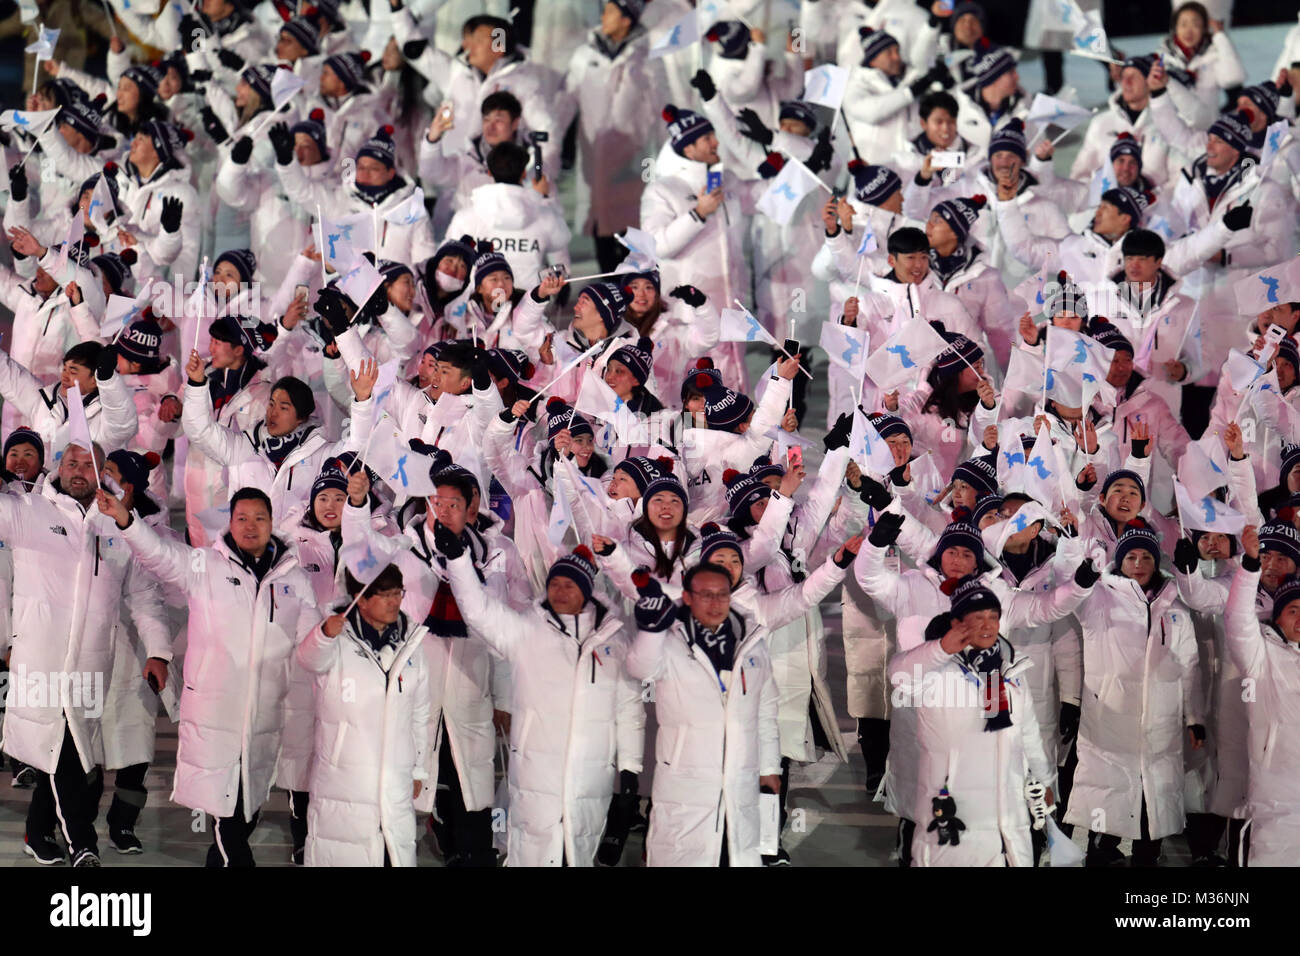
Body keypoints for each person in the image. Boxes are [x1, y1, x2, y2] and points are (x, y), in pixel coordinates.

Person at [99, 485, 318, 867]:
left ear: (272, 523)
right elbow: (159, 554)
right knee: (228, 819)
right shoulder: (205, 566)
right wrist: (125, 520)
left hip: (264, 717)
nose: (250, 527)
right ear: (229, 524)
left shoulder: (294, 579)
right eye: (242, 519)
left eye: (259, 518)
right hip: (215, 716)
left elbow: (311, 645)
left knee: (245, 811)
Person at [2, 442, 170, 867]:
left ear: (102, 474)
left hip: (92, 664)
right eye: (71, 463)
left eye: (88, 465)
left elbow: (146, 597)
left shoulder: (118, 528)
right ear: (58, 467)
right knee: (63, 754)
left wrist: (159, 652)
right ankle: (82, 843)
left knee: (71, 754)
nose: (79, 471)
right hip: (41, 658)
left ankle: (38, 833)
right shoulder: (31, 510)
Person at [443, 544, 645, 866]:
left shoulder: (614, 641)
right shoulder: (526, 632)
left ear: (587, 590)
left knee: (577, 856)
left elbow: (630, 708)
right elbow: (478, 611)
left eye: (569, 585)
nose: (560, 591)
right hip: (537, 781)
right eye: (554, 584)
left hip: (591, 781)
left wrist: (630, 767)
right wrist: (457, 559)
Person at [1067, 520, 1203, 866]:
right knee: (1108, 798)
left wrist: (1194, 717)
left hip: (1160, 721)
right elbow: (1071, 595)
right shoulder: (1100, 598)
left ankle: (1148, 858)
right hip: (1110, 719)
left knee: (1151, 802)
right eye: (1131, 558)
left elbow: (1190, 666)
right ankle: (1100, 850)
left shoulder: (1175, 607)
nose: (1139, 564)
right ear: (1120, 562)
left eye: (1146, 557)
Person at [626, 563, 780, 866]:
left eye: (722, 595)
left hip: (740, 779)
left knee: (734, 854)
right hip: (685, 781)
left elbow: (765, 708)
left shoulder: (751, 643)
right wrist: (652, 630)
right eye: (706, 595)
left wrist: (770, 766)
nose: (715, 603)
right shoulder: (670, 643)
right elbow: (639, 668)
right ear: (687, 597)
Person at [890, 579, 1053, 866]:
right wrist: (940, 649)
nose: (988, 625)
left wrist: (1044, 780)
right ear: (957, 622)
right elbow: (898, 674)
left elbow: (1028, 734)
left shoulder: (1010, 672)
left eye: (993, 616)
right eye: (978, 617)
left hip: (1007, 821)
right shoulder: (935, 673)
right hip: (955, 817)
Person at [299, 564, 432, 866]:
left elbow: (420, 714)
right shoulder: (337, 637)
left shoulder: (412, 644)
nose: (394, 602)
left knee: (393, 855)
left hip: (395, 779)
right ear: (361, 599)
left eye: (398, 593)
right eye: (384, 595)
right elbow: (308, 660)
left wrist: (418, 769)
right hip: (344, 781)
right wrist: (322, 635)